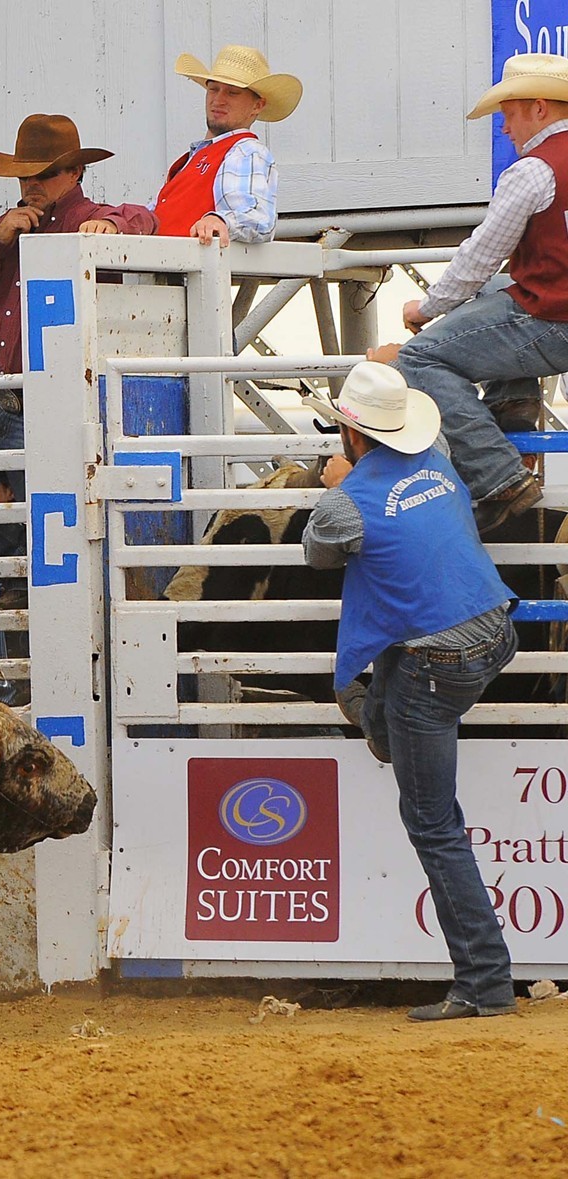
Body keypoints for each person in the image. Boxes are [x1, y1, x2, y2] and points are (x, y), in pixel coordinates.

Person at [302, 360, 518, 1023]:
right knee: (396, 705)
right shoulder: (440, 450)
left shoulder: (346, 502)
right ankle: (381, 723)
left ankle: (484, 979)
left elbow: (318, 553)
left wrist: (338, 486)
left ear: (351, 436)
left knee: (432, 824)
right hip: (494, 631)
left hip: (436, 664)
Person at [0, 116, 157, 675]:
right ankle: (23, 566)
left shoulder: (90, 220)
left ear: (73, 172)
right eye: (25, 175)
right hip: (6, 398)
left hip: (51, 403)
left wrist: (110, 227)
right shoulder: (11, 230)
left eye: (43, 174)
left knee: (26, 511)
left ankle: (37, 614)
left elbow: (143, 218)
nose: (31, 185)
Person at [393, 53, 568, 535]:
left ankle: (500, 478)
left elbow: (479, 257)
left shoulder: (534, 171)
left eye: (508, 112)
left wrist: (427, 307)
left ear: (537, 108)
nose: (506, 127)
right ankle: (512, 404)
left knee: (418, 360)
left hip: (556, 322)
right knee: (497, 289)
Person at [151, 45, 301, 245]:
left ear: (257, 105)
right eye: (213, 89)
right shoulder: (198, 156)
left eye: (232, 93)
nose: (218, 100)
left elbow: (260, 220)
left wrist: (220, 220)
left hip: (190, 271)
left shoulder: (244, 151)